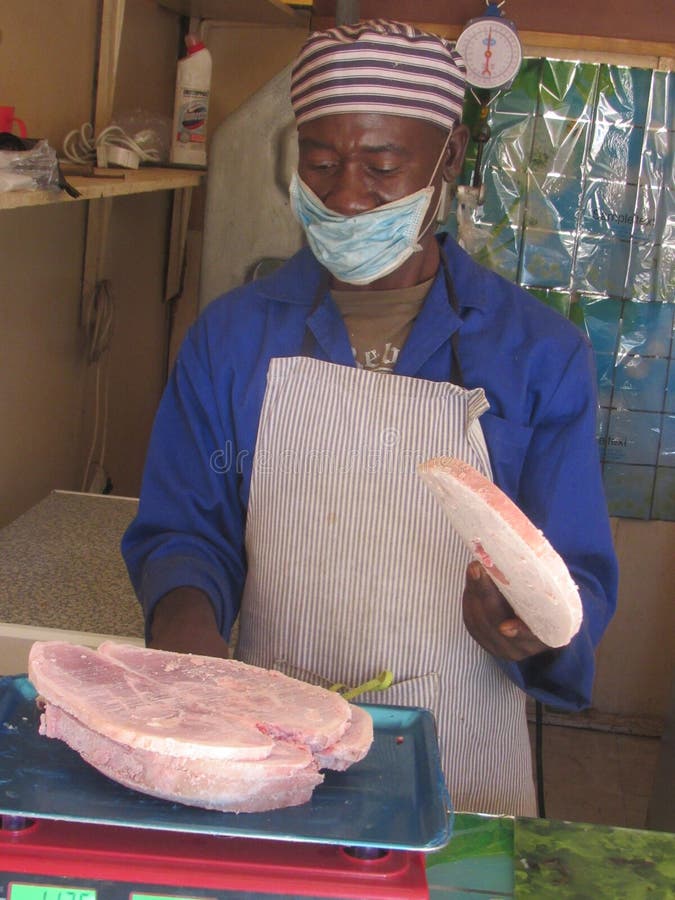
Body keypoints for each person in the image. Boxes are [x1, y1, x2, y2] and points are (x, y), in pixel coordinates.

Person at [122, 20, 618, 816]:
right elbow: (187, 528)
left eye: (382, 166)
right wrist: (187, 636)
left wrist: (532, 628)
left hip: (456, 750)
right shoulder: (234, 337)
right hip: (267, 735)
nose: (347, 195)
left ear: (449, 157)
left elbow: (574, 577)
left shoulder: (535, 355)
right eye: (320, 163)